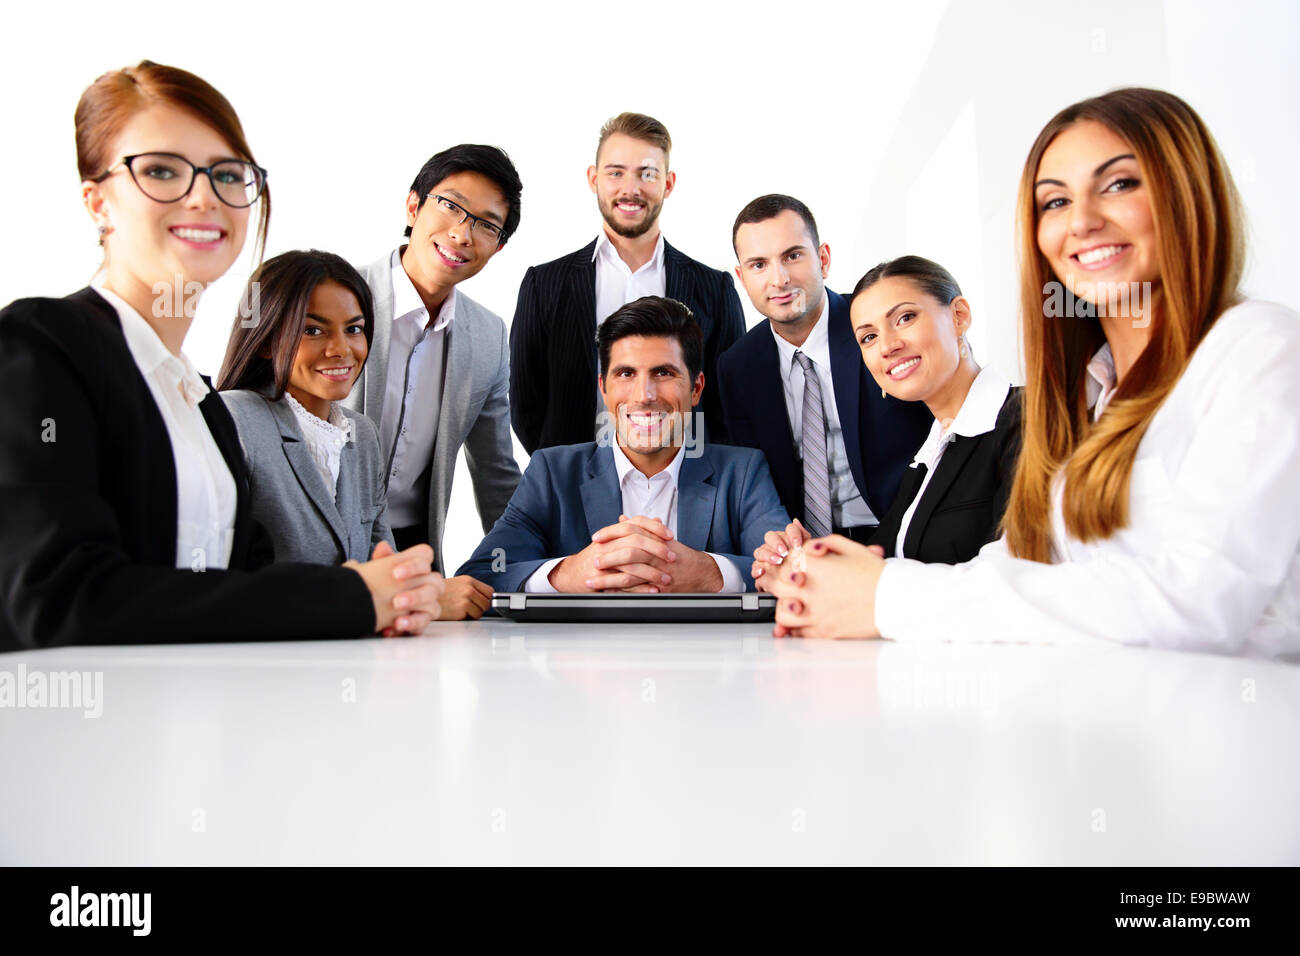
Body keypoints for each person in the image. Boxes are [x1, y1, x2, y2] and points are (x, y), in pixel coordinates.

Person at [766, 87, 1300, 658]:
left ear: (1187, 192)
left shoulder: (1259, 350)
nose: (1084, 221)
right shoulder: (1087, 393)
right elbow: (1029, 560)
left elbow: (1198, 601)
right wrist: (833, 577)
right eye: (1055, 202)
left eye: (1119, 184)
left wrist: (889, 595)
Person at [0, 61, 443, 651]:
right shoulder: (43, 345)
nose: (204, 196)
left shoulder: (201, 404)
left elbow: (244, 588)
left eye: (227, 175)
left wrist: (388, 594)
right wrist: (350, 597)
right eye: (161, 170)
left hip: (211, 726)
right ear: (98, 202)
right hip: (88, 736)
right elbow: (57, 599)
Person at [460, 296, 789, 596]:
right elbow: (488, 570)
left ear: (696, 388)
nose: (644, 395)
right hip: (588, 657)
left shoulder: (743, 473)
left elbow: (786, 568)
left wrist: (710, 574)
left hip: (702, 658)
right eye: (626, 373)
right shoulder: (552, 473)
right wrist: (563, 575)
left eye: (663, 372)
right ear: (603, 388)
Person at [754, 255, 1022, 585]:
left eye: (905, 318)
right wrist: (809, 560)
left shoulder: (1031, 421)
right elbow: (882, 560)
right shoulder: (928, 456)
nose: (887, 347)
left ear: (959, 316)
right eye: (868, 337)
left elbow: (1016, 572)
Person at [344, 144, 520, 615]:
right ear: (413, 205)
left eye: (486, 224)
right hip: (318, 546)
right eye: (451, 206)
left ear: (499, 246)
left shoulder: (488, 335)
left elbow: (496, 471)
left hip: (414, 556)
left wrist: (535, 571)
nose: (463, 234)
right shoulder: (335, 298)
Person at [509, 112, 744, 453]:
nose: (630, 189)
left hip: (687, 486)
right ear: (594, 179)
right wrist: (561, 473)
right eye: (615, 173)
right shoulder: (543, 284)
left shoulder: (715, 289)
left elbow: (728, 407)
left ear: (668, 183)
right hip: (572, 489)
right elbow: (525, 405)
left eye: (646, 174)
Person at [718, 195, 931, 549]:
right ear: (741, 277)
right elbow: (754, 481)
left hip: (909, 536)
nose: (779, 279)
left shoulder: (877, 328)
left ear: (823, 259)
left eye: (792, 256)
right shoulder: (738, 367)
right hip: (807, 551)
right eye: (759, 264)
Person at [217, 250, 394, 561]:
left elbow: (386, 566)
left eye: (354, 329)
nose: (341, 349)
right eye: (312, 330)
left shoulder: (363, 435)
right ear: (264, 342)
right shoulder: (233, 418)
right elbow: (221, 575)